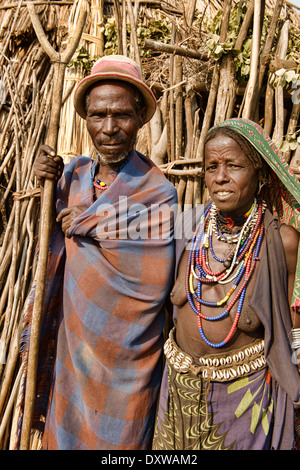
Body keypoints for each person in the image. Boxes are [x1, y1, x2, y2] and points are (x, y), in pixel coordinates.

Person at [17, 55, 177, 450]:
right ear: (85, 119)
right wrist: (44, 185)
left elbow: (154, 285)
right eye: (98, 115)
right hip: (73, 354)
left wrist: (91, 223)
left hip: (129, 362)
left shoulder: (158, 193)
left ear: (140, 117)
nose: (109, 128)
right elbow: (46, 240)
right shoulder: (71, 176)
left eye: (122, 115)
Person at [152, 117, 300, 450]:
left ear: (260, 174)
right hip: (176, 396)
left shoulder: (283, 243)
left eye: (233, 165)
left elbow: (296, 329)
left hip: (245, 404)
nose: (220, 177)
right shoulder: (188, 229)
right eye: (211, 167)